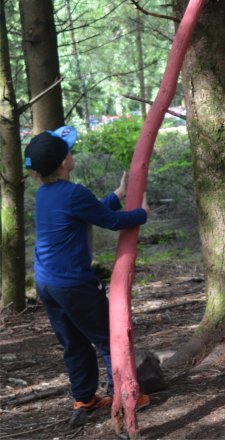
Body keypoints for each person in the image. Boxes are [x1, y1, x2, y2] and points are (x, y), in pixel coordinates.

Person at [24, 126, 151, 427]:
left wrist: (118, 195)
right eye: (68, 150)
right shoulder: (73, 193)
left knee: (73, 341)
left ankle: (84, 397)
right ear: (62, 162)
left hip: (47, 283)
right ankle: (123, 394)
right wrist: (142, 213)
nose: (72, 153)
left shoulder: (47, 194)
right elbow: (108, 221)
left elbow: (89, 211)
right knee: (108, 337)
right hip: (72, 284)